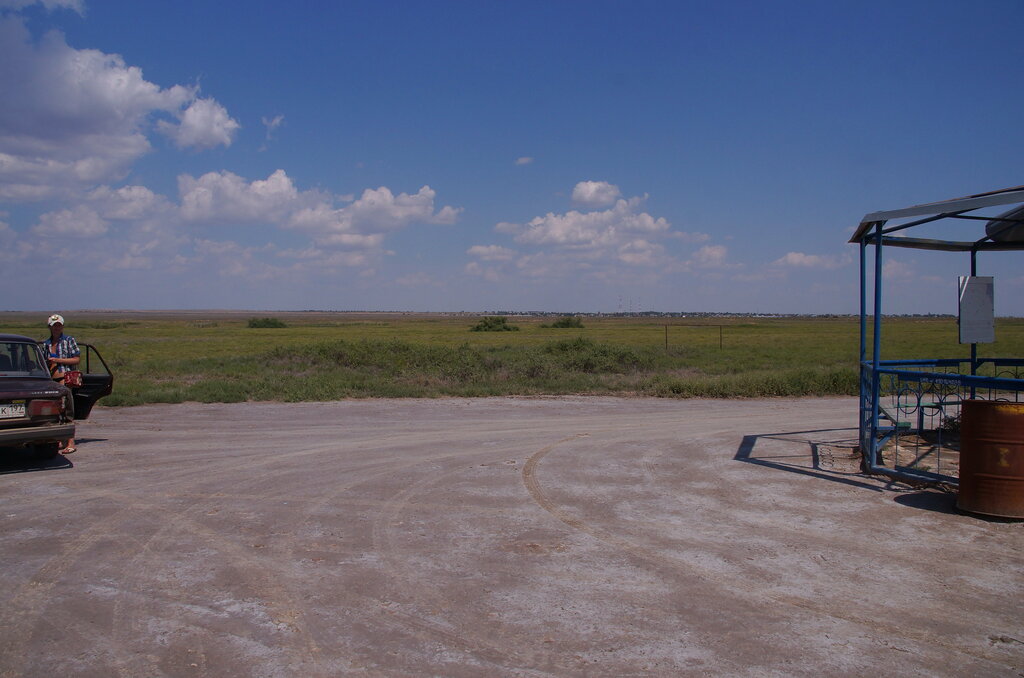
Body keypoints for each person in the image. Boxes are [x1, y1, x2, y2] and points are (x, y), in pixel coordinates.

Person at [43, 314, 80, 454]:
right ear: (50, 327)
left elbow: (76, 359)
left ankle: (70, 441)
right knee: (55, 411)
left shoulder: (69, 341)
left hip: (65, 378)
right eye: (54, 326)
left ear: (62, 326)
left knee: (67, 410)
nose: (57, 328)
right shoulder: (46, 344)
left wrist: (58, 360)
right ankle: (58, 438)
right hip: (52, 380)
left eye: (59, 325)